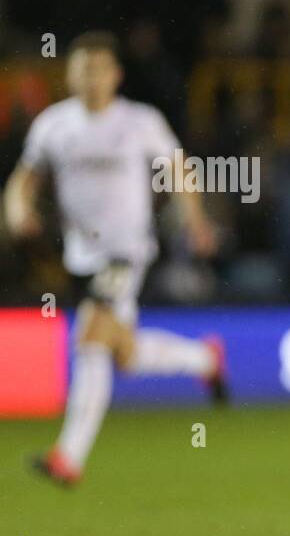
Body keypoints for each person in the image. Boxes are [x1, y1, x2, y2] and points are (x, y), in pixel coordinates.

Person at [4, 32, 227, 486]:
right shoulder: (54, 124)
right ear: (69, 75)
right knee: (121, 353)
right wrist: (17, 210)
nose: (91, 78)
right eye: (82, 69)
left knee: (89, 339)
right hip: (79, 255)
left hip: (126, 251)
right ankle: (204, 358)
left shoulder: (140, 121)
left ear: (115, 75)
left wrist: (196, 221)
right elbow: (24, 178)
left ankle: (68, 457)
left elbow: (179, 168)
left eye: (99, 69)